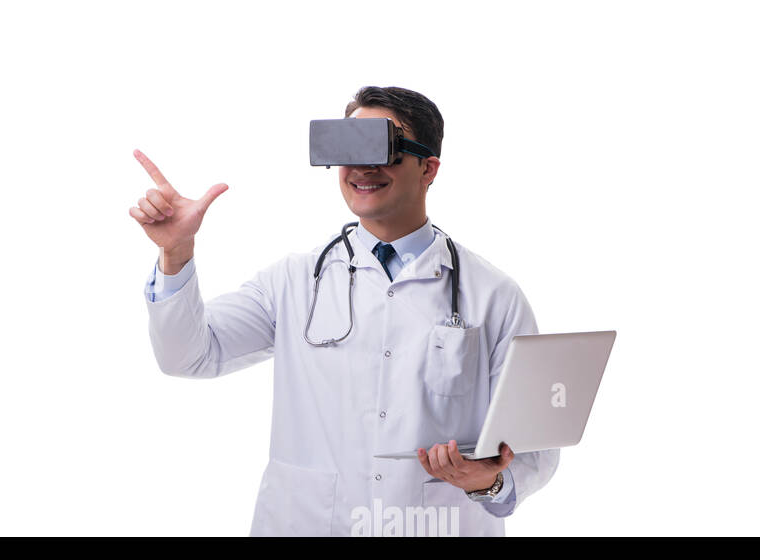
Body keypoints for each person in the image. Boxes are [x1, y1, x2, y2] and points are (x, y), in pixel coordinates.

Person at [129, 86, 558, 536]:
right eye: (348, 148)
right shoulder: (293, 281)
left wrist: (489, 482)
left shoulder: (494, 296)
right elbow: (188, 356)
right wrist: (176, 254)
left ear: (428, 168)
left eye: (382, 148)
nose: (362, 167)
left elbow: (534, 448)